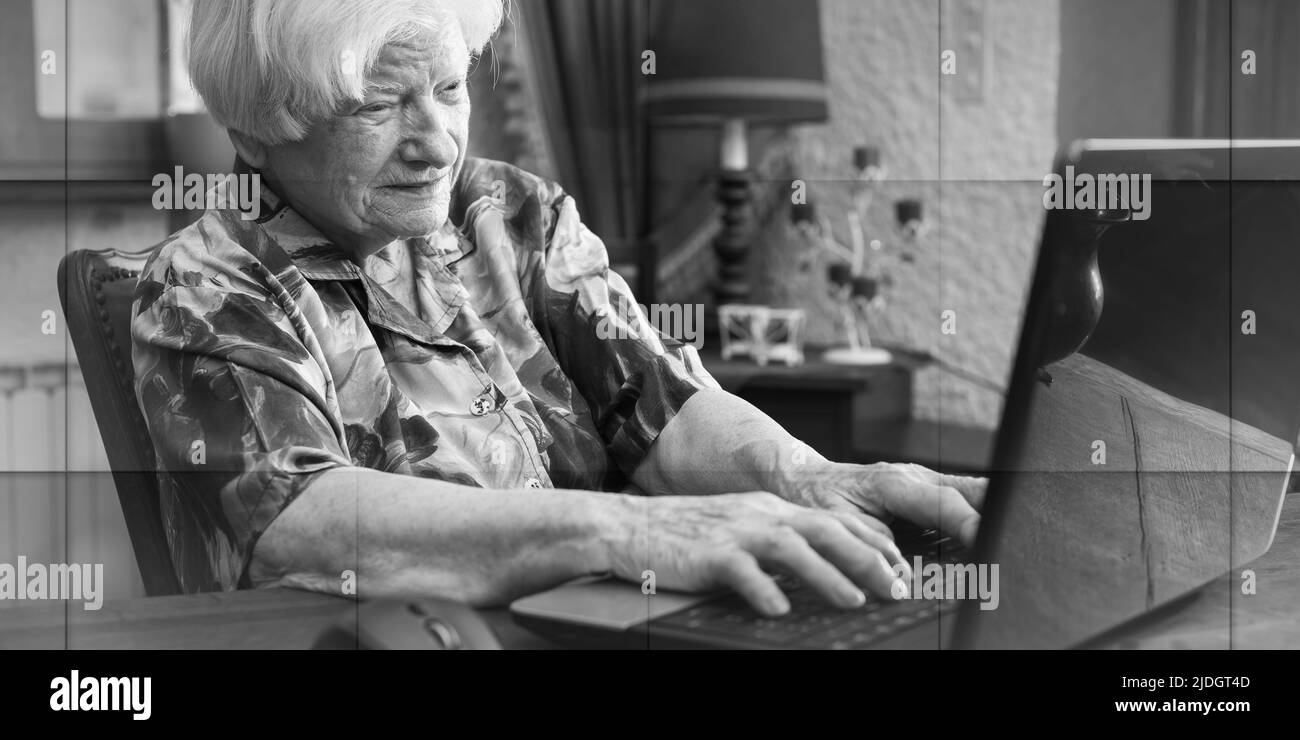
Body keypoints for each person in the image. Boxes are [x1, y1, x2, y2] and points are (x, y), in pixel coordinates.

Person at [131, 0, 984, 617]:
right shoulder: (208, 285)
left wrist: (813, 481)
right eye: (381, 106)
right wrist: (626, 534)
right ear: (258, 130)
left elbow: (663, 406)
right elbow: (301, 521)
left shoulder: (510, 214)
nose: (437, 144)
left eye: (451, 89)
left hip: (589, 623)